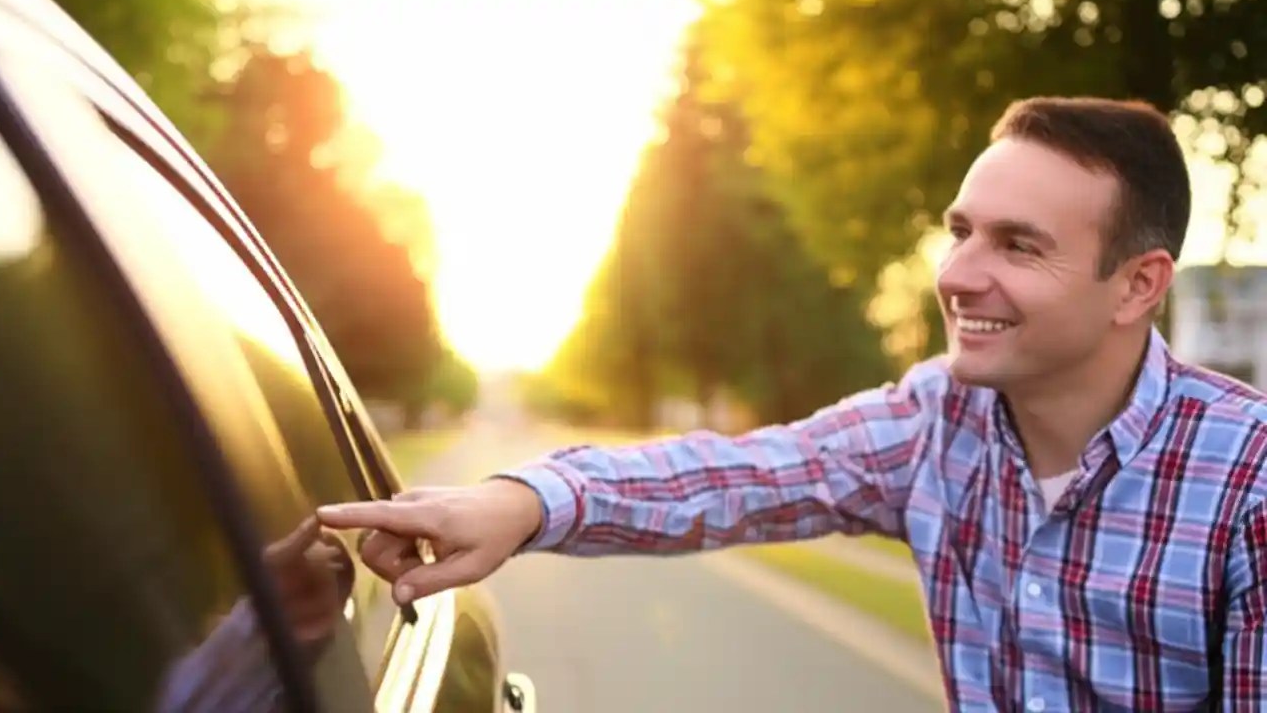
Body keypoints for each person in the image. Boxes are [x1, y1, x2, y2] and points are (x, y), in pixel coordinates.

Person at [318, 96, 1267, 710]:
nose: (958, 277)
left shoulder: (1249, 486)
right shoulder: (935, 421)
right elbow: (742, 473)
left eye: (1020, 247)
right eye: (961, 232)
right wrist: (521, 503)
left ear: (1139, 286)